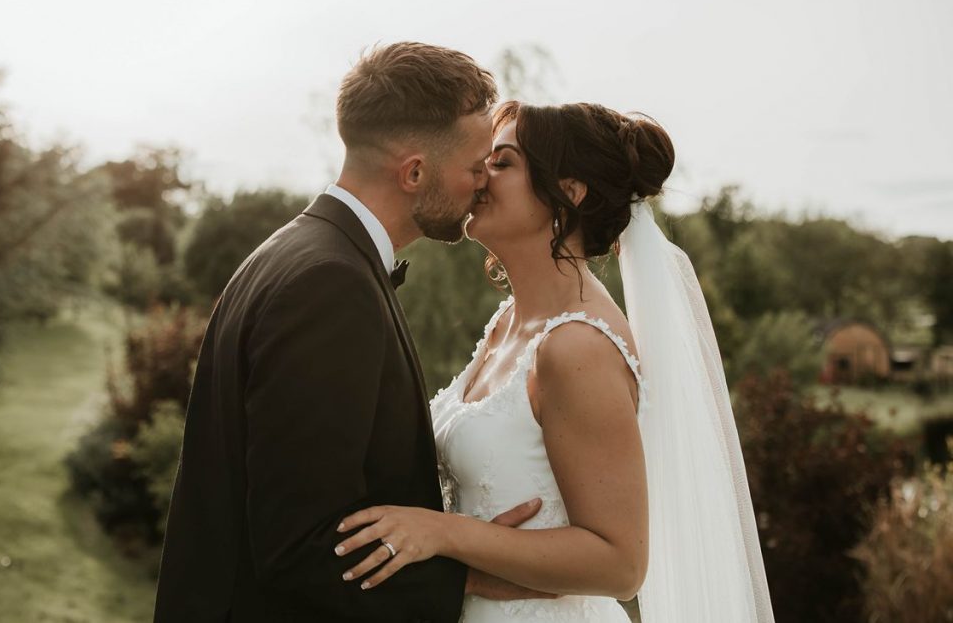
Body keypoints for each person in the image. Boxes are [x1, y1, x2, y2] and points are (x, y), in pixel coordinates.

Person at [333, 101, 776, 622]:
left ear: (568, 192)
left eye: (502, 163)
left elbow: (620, 564)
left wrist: (445, 533)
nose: (480, 178)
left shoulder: (577, 347)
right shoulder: (507, 322)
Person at [153, 44, 550, 622]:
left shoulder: (296, 251)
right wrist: (470, 573)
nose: (480, 186)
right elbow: (299, 545)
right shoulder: (329, 286)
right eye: (472, 168)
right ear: (414, 172)